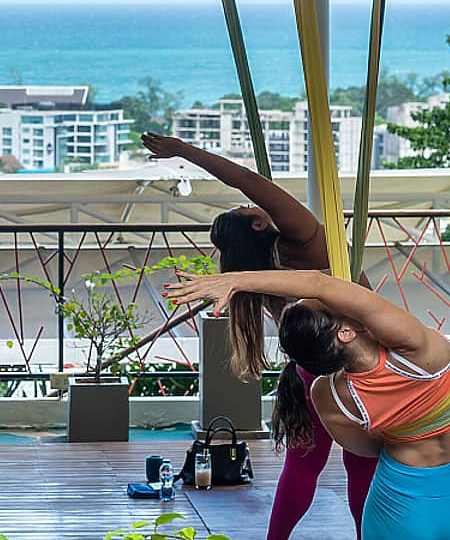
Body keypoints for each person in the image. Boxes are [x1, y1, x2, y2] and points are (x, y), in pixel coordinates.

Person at [141, 133, 377, 540]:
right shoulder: (304, 239)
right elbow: (247, 180)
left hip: (310, 371)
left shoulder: (258, 275)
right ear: (257, 223)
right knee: (362, 464)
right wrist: (183, 151)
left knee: (303, 466)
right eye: (248, 209)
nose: (254, 204)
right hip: (357, 360)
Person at [165, 269, 450, 540]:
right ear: (345, 331)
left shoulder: (327, 395)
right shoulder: (414, 347)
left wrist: (421, 427)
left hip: (401, 501)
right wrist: (236, 281)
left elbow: (371, 449)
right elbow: (318, 282)